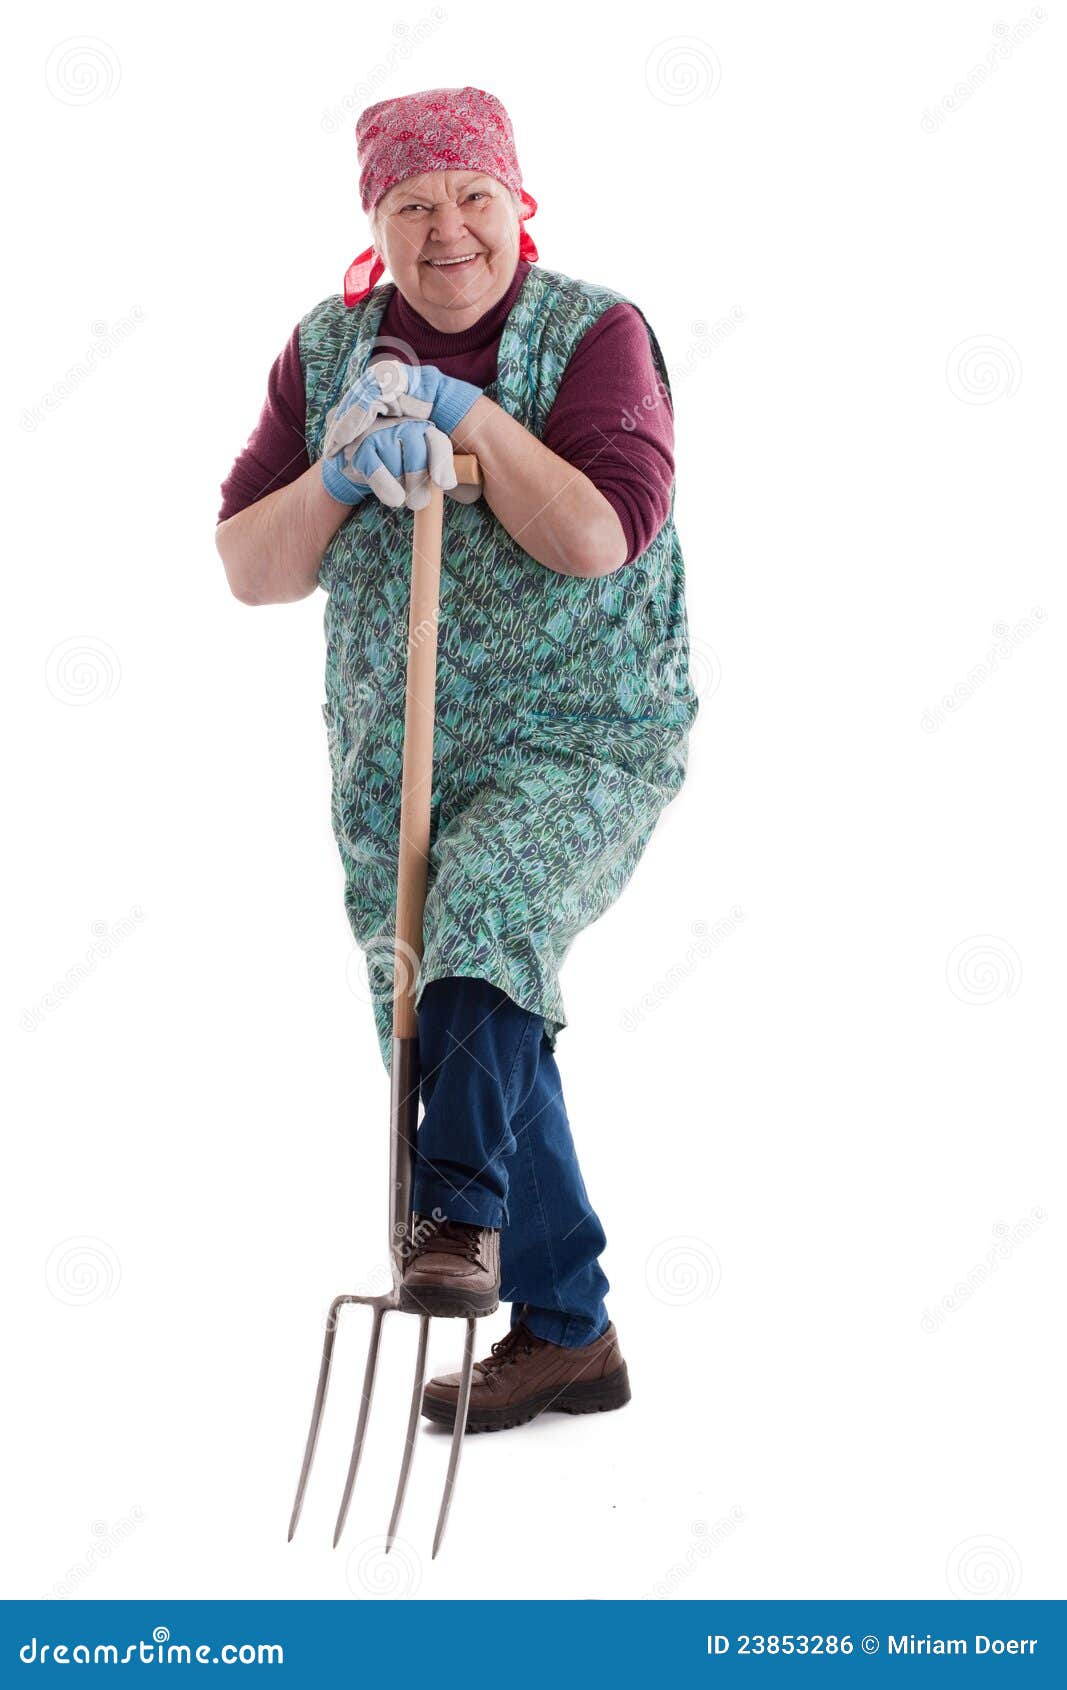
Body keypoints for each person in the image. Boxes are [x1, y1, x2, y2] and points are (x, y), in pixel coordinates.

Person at [215, 85, 698, 1434]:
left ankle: (452, 1223)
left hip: (582, 731)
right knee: (455, 1006)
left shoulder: (594, 336)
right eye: (412, 205)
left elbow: (604, 534)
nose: (449, 232)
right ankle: (570, 1332)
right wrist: (337, 476)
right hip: (399, 750)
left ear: (517, 202)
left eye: (473, 198)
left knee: (487, 908)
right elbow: (249, 565)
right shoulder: (324, 352)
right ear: (374, 220)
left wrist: (470, 421)